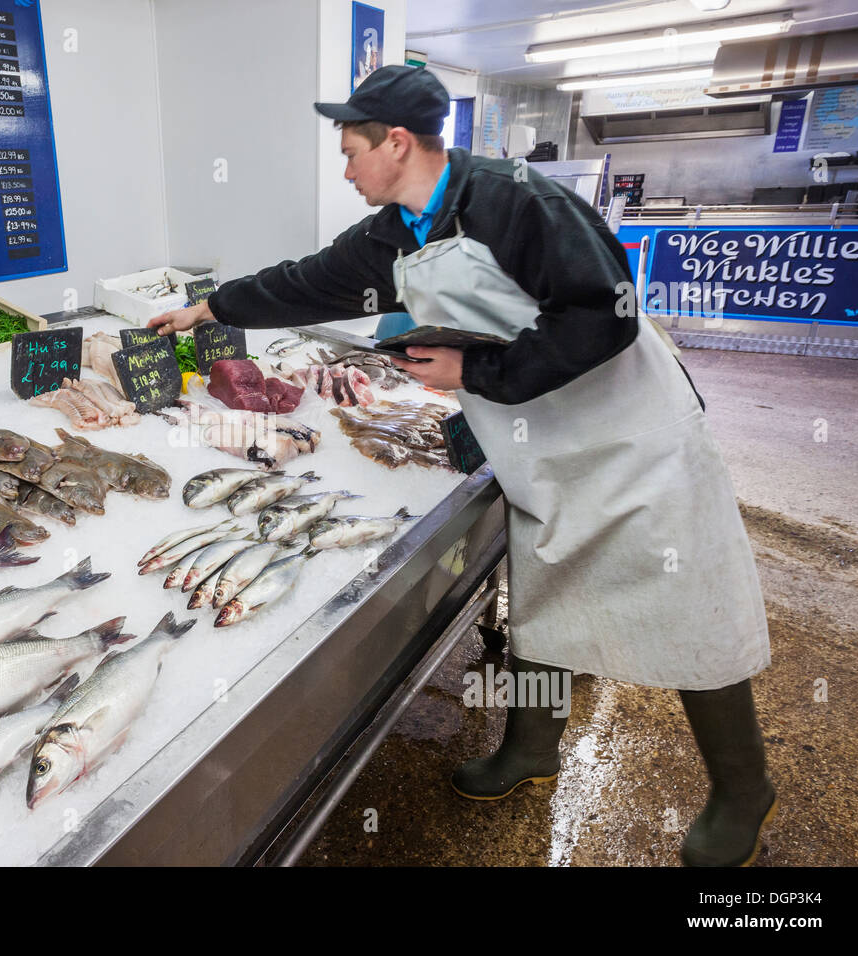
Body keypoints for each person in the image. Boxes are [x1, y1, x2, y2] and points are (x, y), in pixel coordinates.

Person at [149, 65, 777, 867]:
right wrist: (211, 307)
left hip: (629, 435)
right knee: (548, 600)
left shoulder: (519, 202)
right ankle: (531, 748)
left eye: (350, 153)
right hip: (540, 441)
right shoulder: (393, 233)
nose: (345, 171)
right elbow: (310, 282)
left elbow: (604, 315)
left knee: (690, 609)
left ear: (396, 143)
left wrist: (473, 371)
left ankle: (742, 789)